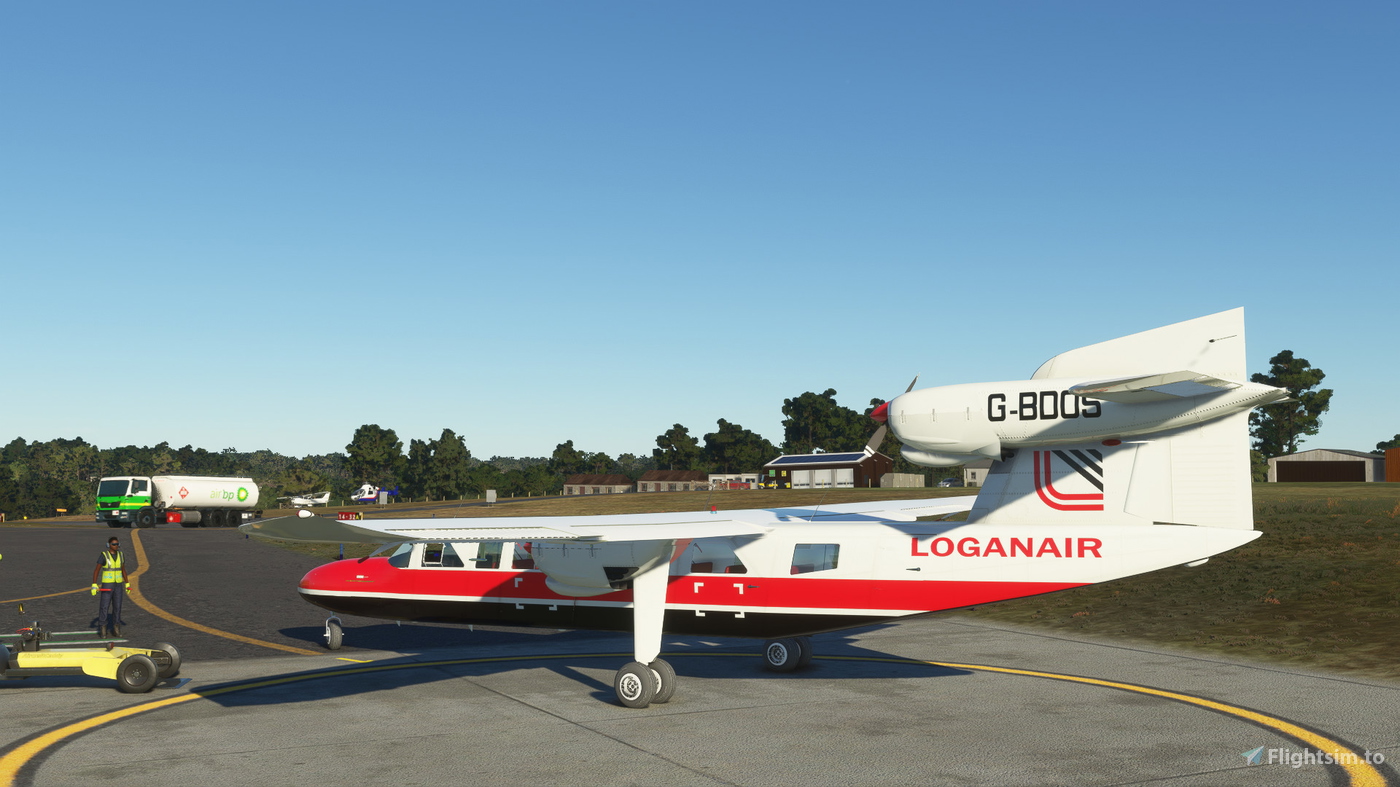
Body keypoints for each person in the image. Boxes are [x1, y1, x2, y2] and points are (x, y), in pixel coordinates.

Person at [91, 536, 130, 638]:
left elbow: (123, 570)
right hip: (107, 585)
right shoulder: (104, 555)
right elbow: (96, 570)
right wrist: (94, 584)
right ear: (109, 545)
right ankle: (103, 628)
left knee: (117, 607)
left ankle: (116, 628)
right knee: (104, 607)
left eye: (117, 544)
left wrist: (127, 583)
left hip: (118, 585)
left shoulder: (121, 555)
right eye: (114, 544)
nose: (116, 546)